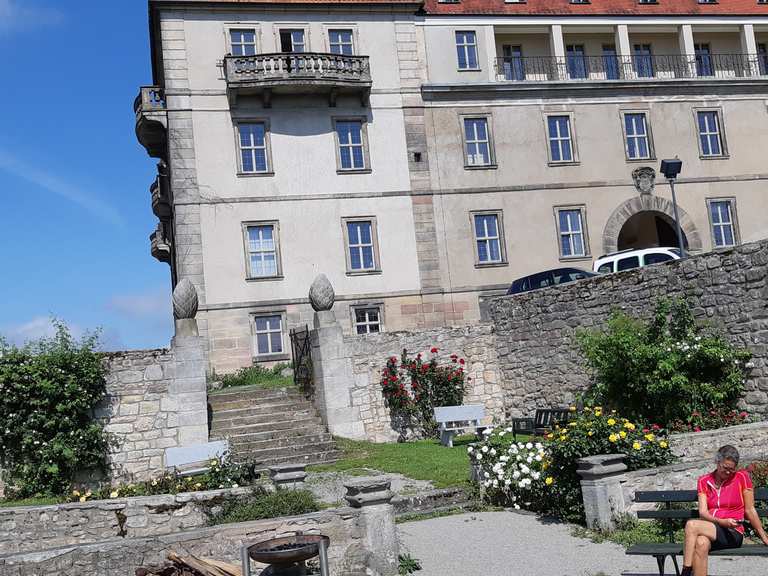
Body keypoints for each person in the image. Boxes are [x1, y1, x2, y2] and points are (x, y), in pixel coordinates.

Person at [681, 444, 768, 575]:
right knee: (701, 542)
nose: (728, 472)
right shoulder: (704, 481)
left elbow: (750, 510)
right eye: (725, 468)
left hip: (732, 531)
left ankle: (685, 571)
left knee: (691, 525)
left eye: (731, 469)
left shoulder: (742, 477)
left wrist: (764, 536)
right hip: (711, 528)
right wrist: (721, 521)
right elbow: (703, 513)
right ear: (717, 462)